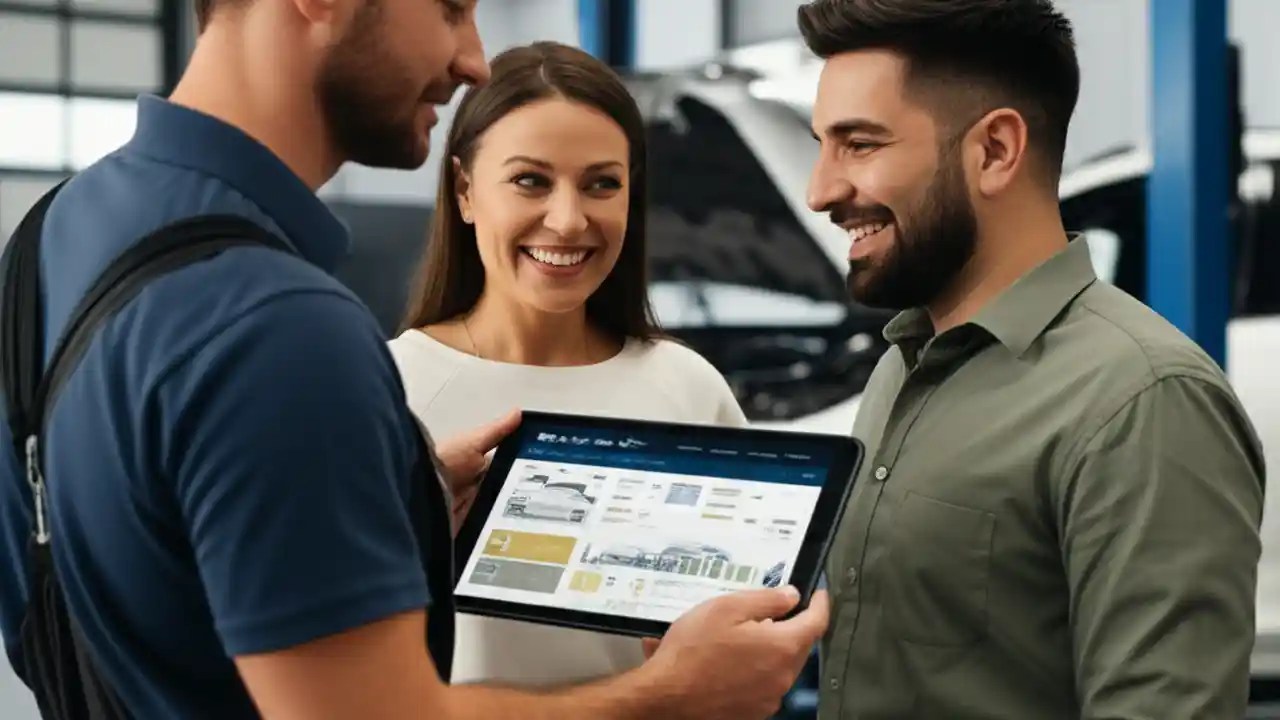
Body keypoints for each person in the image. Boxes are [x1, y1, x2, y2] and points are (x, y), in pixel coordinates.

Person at [0, 1, 828, 719]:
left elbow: (58, 608)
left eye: (604, 184)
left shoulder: (52, 236)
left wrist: (406, 497)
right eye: (448, 6)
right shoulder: (283, 327)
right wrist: (670, 699)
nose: (472, 56)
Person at [795, 0, 1266, 718]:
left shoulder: (1142, 400)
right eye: (822, 146)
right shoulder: (904, 365)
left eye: (858, 145)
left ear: (995, 151)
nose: (821, 190)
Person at [388, 40, 748, 686]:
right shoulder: (389, 391)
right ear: (465, 191)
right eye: (531, 180)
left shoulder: (690, 391)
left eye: (601, 184)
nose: (567, 219)